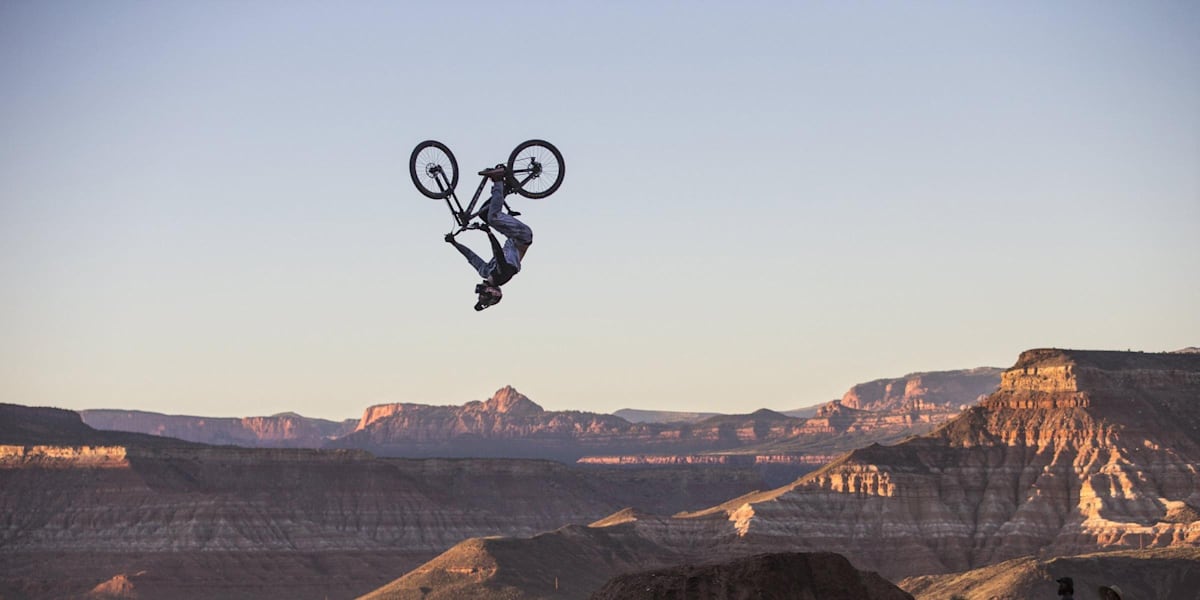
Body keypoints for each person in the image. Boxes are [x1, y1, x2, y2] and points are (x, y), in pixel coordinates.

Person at [444, 165, 533, 311]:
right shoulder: (504, 275)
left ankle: (505, 188)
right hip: (522, 236)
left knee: (483, 214)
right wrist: (489, 233)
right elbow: (498, 254)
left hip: (511, 236)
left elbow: (471, 257)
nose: (480, 291)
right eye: (482, 294)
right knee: (493, 218)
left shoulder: (485, 271)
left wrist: (454, 243)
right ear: (493, 292)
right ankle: (498, 179)